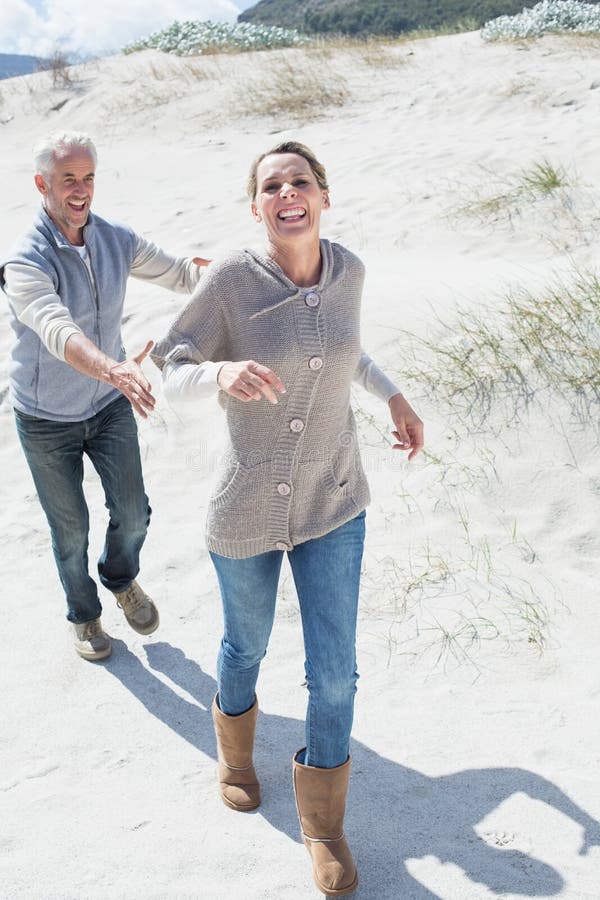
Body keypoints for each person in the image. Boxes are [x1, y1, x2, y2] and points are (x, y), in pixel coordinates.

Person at [152, 141, 424, 896]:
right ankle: (236, 753)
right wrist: (218, 371)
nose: (287, 193)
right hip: (246, 505)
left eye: (299, 180)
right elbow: (168, 368)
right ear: (257, 206)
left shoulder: (350, 273)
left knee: (334, 674)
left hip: (334, 496)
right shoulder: (234, 282)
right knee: (246, 645)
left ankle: (325, 826)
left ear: (323, 196)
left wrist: (393, 395)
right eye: (271, 186)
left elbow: (344, 351)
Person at [1, 130, 208, 662]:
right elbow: (56, 328)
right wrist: (114, 368)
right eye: (68, 178)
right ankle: (85, 615)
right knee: (70, 530)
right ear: (42, 184)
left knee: (134, 512)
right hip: (46, 417)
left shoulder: (116, 239)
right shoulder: (24, 261)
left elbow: (183, 274)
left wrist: (236, 269)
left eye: (88, 177)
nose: (81, 189)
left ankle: (120, 578)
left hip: (108, 404)